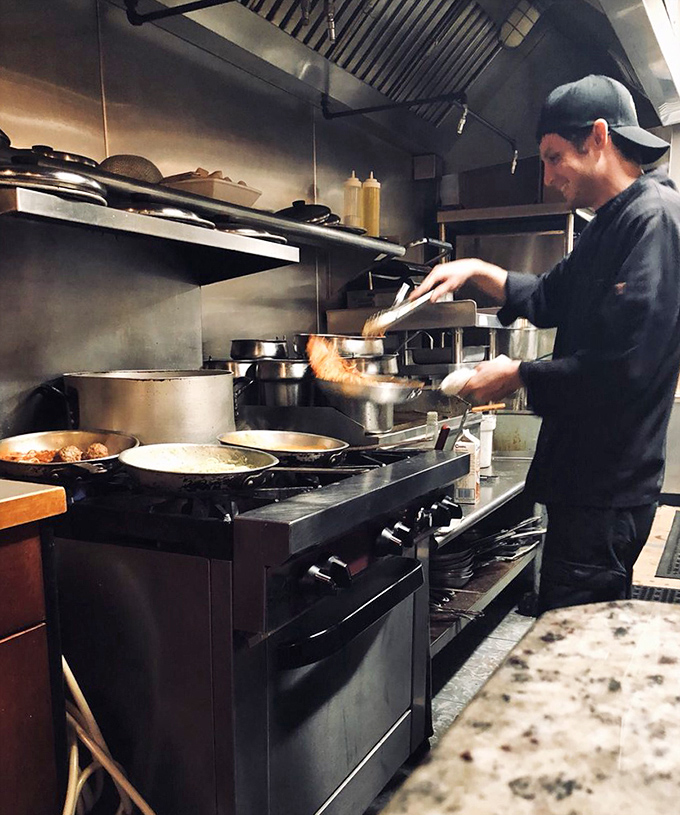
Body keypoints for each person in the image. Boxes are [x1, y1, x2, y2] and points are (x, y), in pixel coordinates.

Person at [412, 74, 680, 614]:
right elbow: (547, 296)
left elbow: (623, 370)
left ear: (599, 138)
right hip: (589, 485)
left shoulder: (652, 220)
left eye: (555, 157)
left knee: (576, 640)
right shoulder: (612, 222)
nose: (549, 175)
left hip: (606, 491)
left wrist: (518, 376)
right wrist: (475, 269)